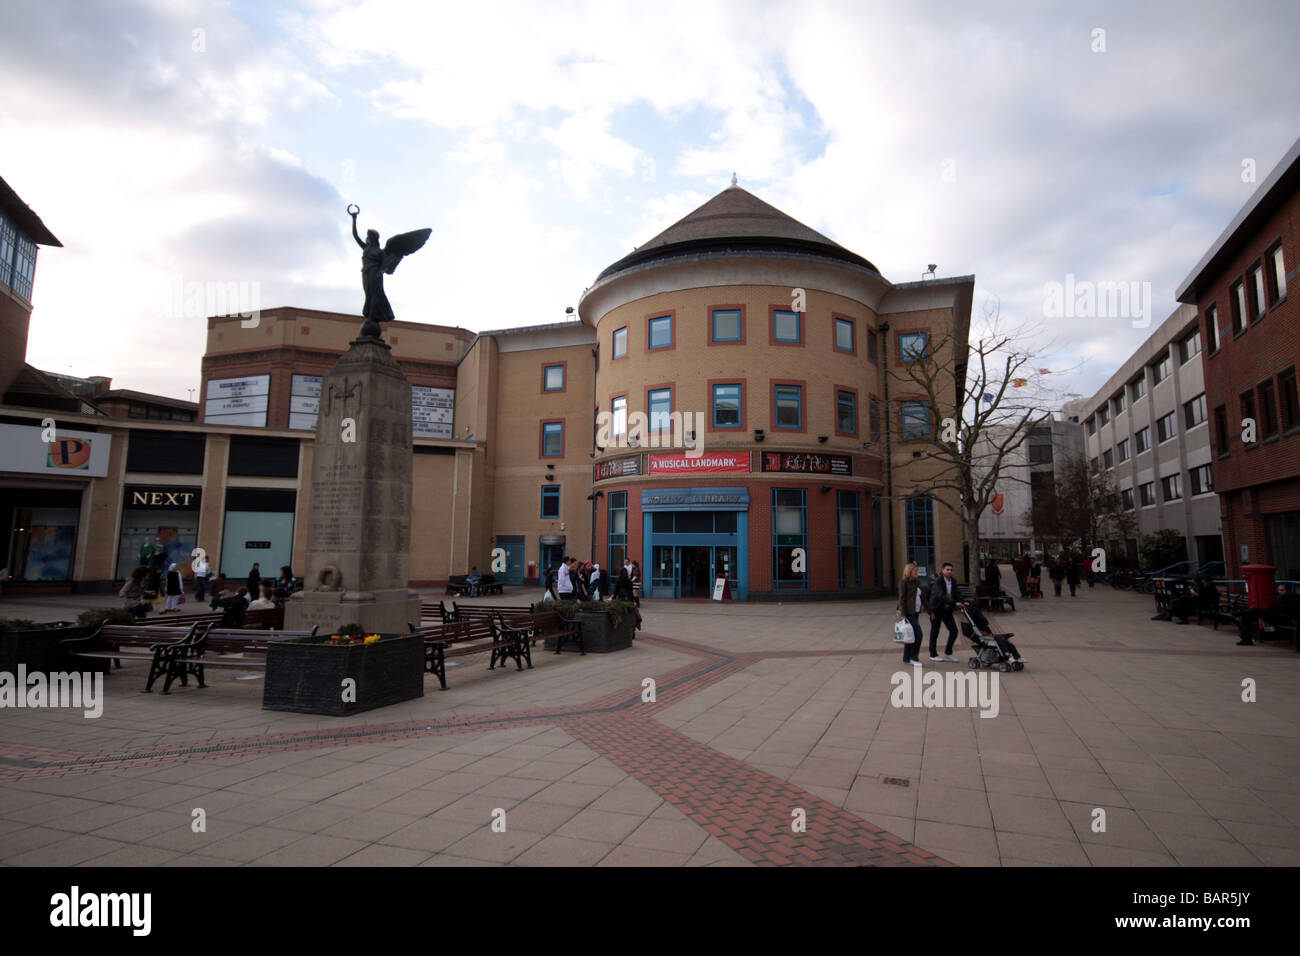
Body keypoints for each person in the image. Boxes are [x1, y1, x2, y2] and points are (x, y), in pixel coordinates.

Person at [927, 562, 966, 662]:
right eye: (947, 569)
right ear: (943, 570)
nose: (950, 571)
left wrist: (962, 601)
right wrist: (954, 603)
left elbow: (957, 593)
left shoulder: (953, 581)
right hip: (936, 610)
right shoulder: (938, 581)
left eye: (951, 570)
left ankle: (948, 652)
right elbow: (941, 596)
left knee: (954, 630)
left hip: (947, 610)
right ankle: (933, 654)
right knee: (935, 632)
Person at [897, 562, 925, 667]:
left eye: (917, 570)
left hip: (915, 612)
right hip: (908, 613)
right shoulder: (904, 583)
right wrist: (903, 614)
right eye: (915, 571)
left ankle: (906, 658)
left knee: (910, 635)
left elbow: (923, 597)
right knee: (918, 635)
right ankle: (914, 657)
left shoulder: (917, 582)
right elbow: (902, 599)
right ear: (909, 571)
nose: (917, 572)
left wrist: (930, 610)